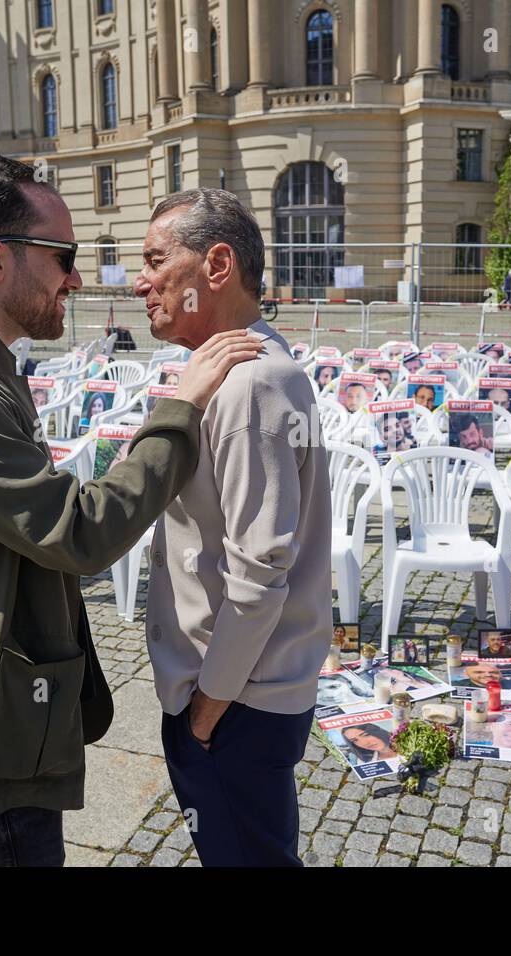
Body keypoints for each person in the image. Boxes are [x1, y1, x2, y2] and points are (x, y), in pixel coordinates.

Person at [0, 156, 261, 868]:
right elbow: (78, 532)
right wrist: (182, 406)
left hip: (1, 725)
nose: (75, 278)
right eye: (63, 257)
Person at [134, 187, 333, 867]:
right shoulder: (245, 368)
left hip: (234, 700)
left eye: (157, 259)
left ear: (217, 267)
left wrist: (207, 710)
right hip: (240, 692)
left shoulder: (250, 382)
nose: (141, 281)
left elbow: (259, 568)